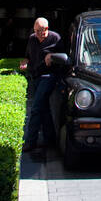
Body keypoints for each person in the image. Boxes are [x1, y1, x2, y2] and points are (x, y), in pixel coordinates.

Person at [22, 17, 61, 152]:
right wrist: (25, 62)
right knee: (44, 109)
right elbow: (27, 56)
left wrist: (52, 56)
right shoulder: (32, 39)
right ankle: (50, 141)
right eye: (38, 30)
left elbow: (64, 55)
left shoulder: (55, 38)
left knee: (36, 108)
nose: (41, 33)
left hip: (49, 76)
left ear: (48, 28)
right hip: (36, 76)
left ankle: (30, 141)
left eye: (43, 30)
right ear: (34, 30)